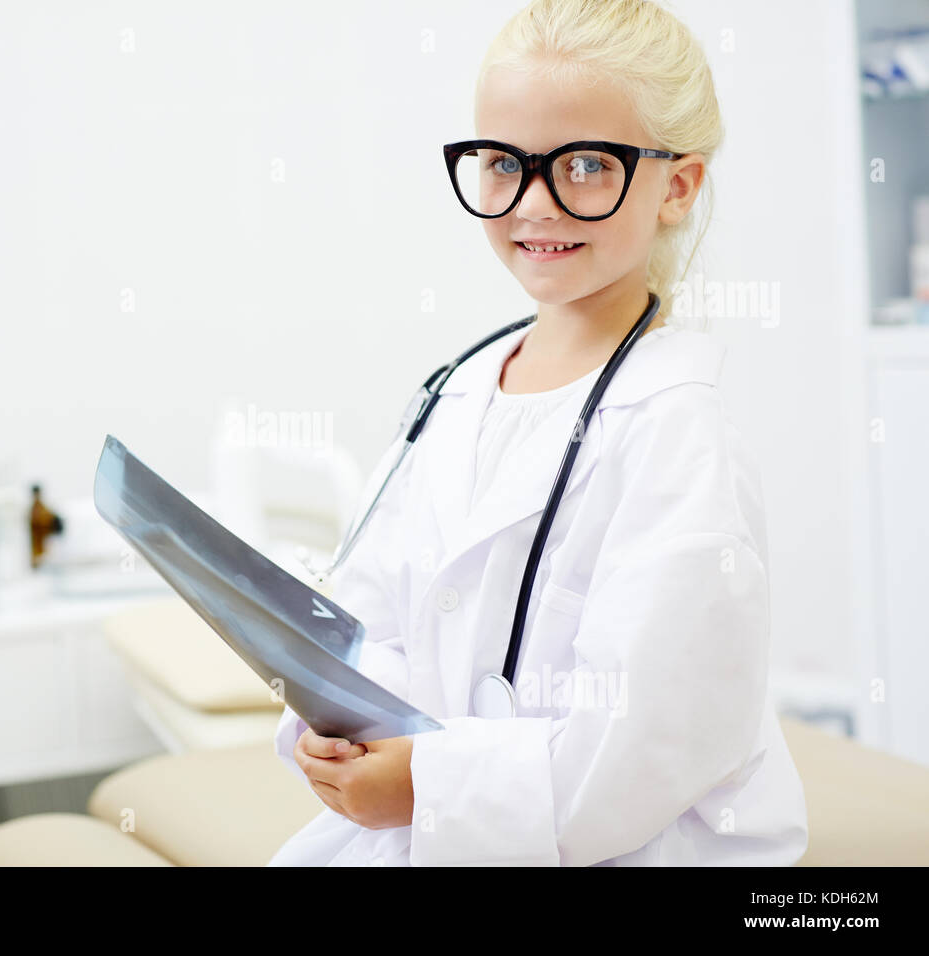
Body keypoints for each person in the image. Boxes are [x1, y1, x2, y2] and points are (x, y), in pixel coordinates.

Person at [268, 0, 809, 866]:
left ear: (677, 186)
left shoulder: (678, 436)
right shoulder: (459, 391)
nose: (534, 204)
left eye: (586, 165)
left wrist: (428, 785)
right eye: (503, 162)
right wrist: (336, 721)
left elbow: (635, 754)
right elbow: (377, 616)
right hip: (440, 826)